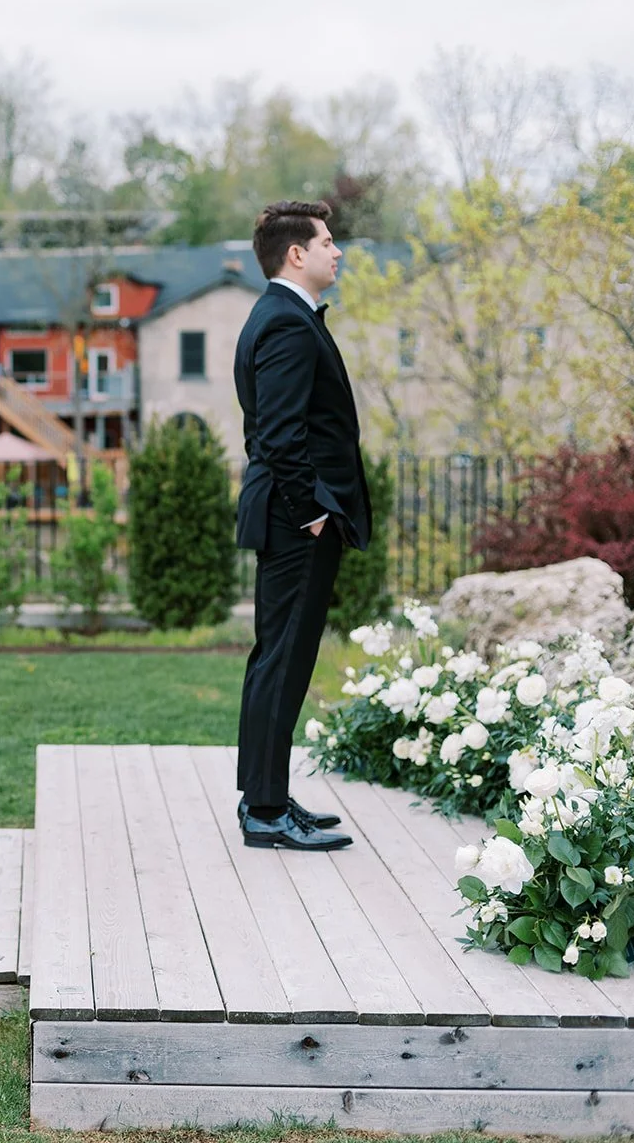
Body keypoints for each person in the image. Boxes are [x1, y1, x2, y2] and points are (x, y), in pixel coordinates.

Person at [232, 201, 372, 851]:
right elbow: (281, 435)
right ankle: (263, 810)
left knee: (281, 660)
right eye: (327, 241)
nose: (336, 250)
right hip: (297, 522)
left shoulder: (282, 316)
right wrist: (314, 513)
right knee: (281, 660)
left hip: (294, 519)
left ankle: (267, 795)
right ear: (297, 254)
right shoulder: (286, 324)